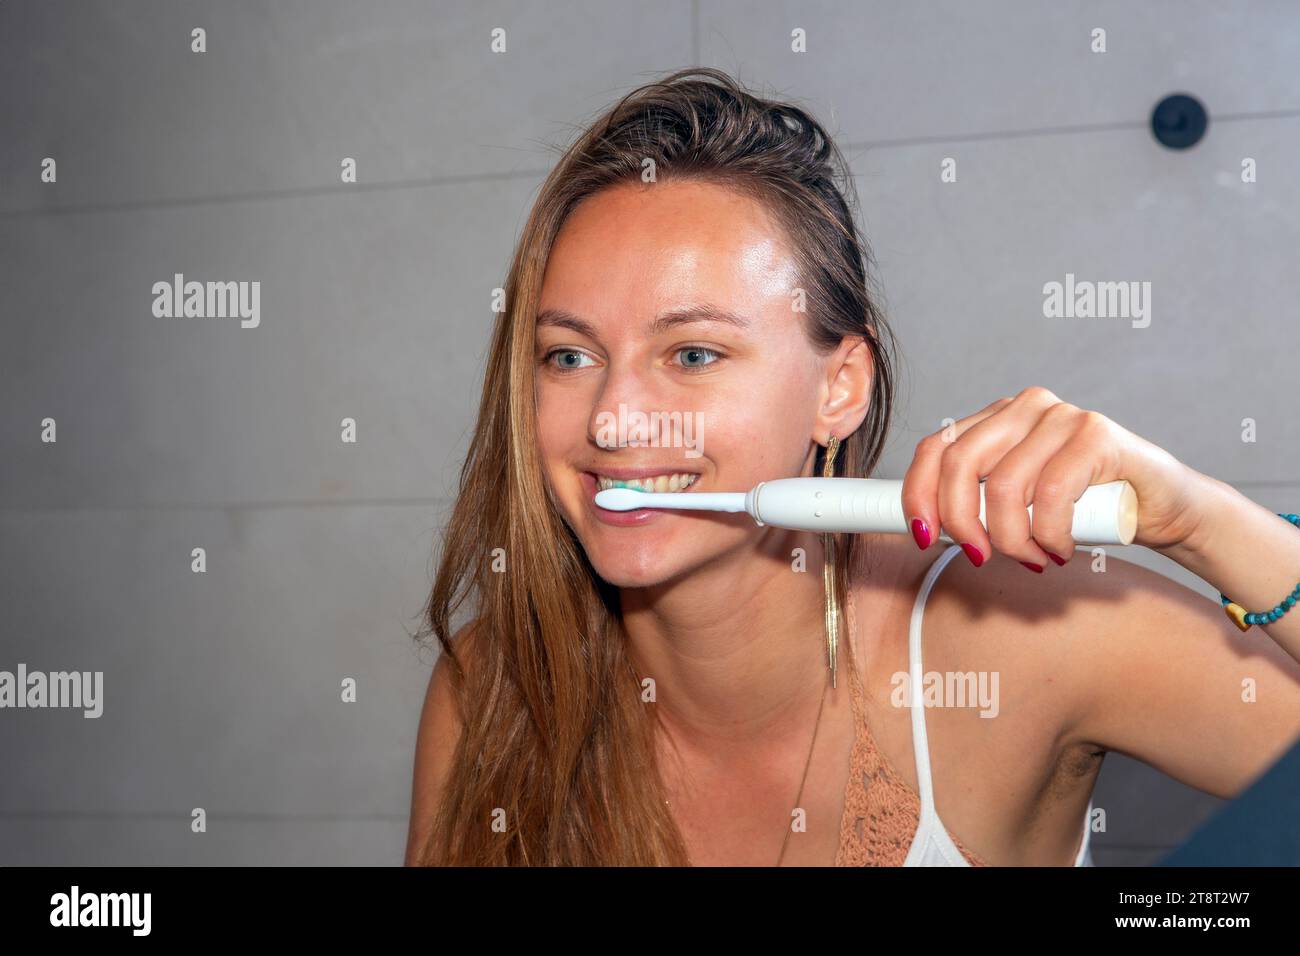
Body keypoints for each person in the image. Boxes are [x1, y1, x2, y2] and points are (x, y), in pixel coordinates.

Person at [405, 67, 1300, 866]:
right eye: (568, 356)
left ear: (840, 388)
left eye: (693, 353)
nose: (612, 417)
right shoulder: (492, 688)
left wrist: (1196, 518)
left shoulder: (1024, 636)